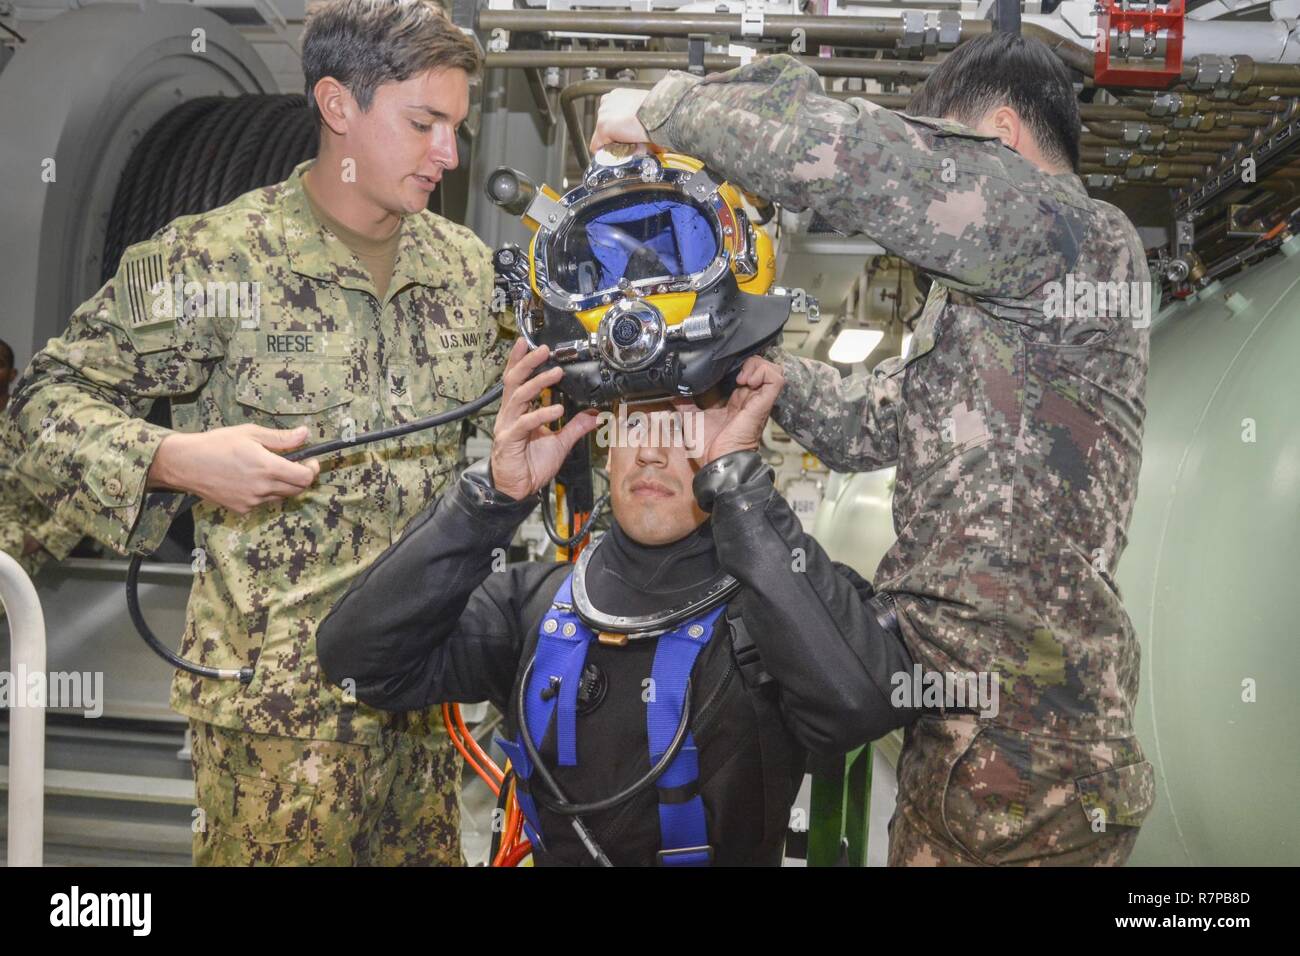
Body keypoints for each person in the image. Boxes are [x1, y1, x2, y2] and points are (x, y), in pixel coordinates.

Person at [590, 33, 1155, 866]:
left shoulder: (1077, 239)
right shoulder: (1000, 315)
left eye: (947, 146)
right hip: (965, 740)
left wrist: (663, 110)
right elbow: (872, 424)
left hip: (1036, 753)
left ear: (998, 141)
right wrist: (747, 366)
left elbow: (858, 160)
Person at [1, 0, 505, 865]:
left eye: (456, 128)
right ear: (339, 106)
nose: (448, 155)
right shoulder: (215, 259)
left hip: (424, 703)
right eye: (425, 124)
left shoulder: (463, 268)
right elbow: (43, 404)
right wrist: (173, 459)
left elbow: (500, 430)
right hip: (276, 725)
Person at [316, 340, 917, 866]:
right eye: (636, 426)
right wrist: (489, 502)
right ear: (607, 448)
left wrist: (739, 487)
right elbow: (357, 662)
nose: (652, 452)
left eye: (682, 428)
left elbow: (860, 710)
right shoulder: (534, 603)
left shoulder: (781, 606)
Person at [0, 337, 83, 582]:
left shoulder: (34, 426)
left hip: (17, 567)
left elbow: (80, 492)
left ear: (12, 374)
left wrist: (40, 539)